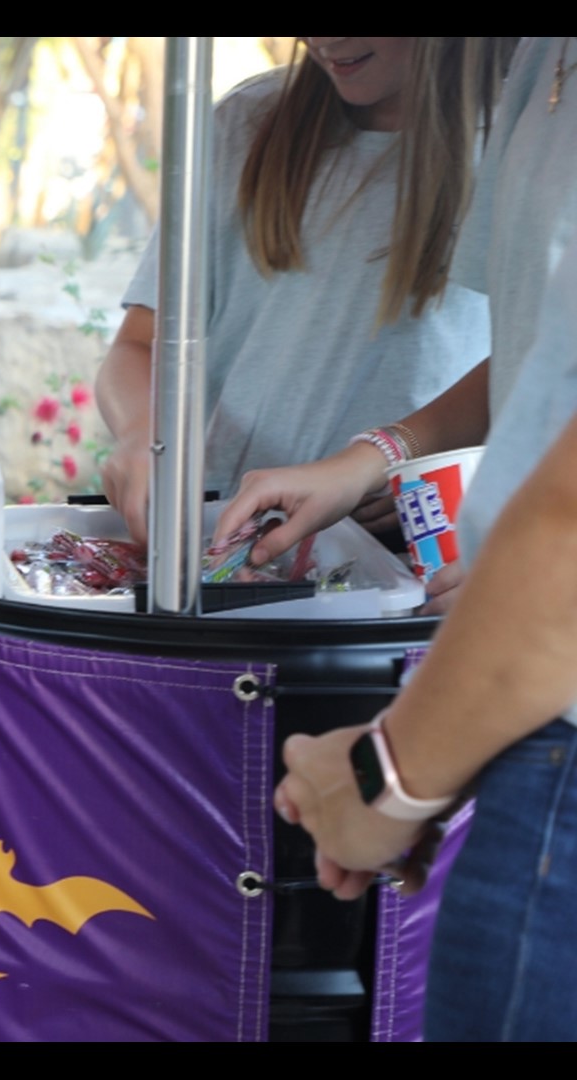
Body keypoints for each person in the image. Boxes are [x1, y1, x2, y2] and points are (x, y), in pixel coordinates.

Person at [263, 35, 577, 1040]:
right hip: (524, 722)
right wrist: (373, 456)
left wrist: (384, 778)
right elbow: (542, 355)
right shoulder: (537, 65)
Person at [97, 38, 500, 547]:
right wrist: (142, 433)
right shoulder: (243, 124)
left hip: (403, 554)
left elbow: (530, 370)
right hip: (223, 535)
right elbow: (137, 344)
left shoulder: (511, 144)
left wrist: (379, 461)